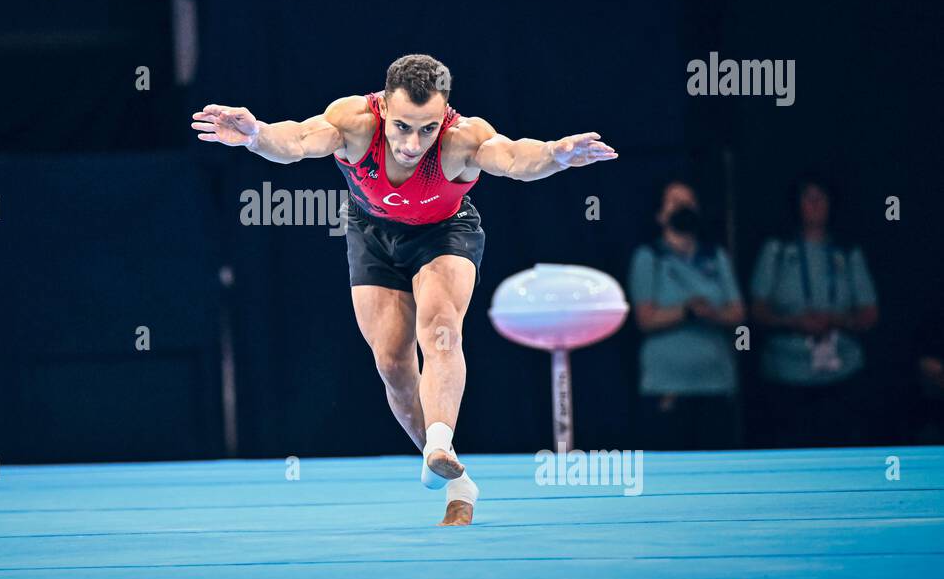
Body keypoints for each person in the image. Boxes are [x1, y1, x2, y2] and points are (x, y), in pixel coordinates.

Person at [191, 54, 617, 524]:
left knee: (439, 329)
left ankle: (439, 439)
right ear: (383, 108)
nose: (413, 144)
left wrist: (555, 154)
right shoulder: (354, 121)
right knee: (392, 362)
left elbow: (514, 157)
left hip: (445, 232)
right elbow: (295, 141)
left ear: (445, 116)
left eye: (427, 129)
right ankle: (455, 478)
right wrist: (256, 135)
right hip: (371, 233)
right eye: (402, 128)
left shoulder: (460, 139)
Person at [749, 175, 879, 446]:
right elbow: (755, 311)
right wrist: (794, 322)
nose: (815, 204)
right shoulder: (777, 249)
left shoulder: (847, 250)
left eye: (822, 198)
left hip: (842, 373)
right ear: (796, 204)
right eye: (808, 197)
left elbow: (870, 313)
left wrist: (836, 320)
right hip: (787, 375)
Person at [628, 180, 746, 449]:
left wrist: (711, 313)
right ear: (660, 215)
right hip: (666, 387)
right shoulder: (649, 257)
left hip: (716, 383)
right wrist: (687, 311)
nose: (683, 207)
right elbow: (645, 319)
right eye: (675, 202)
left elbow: (738, 312)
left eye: (688, 202)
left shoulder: (715, 256)